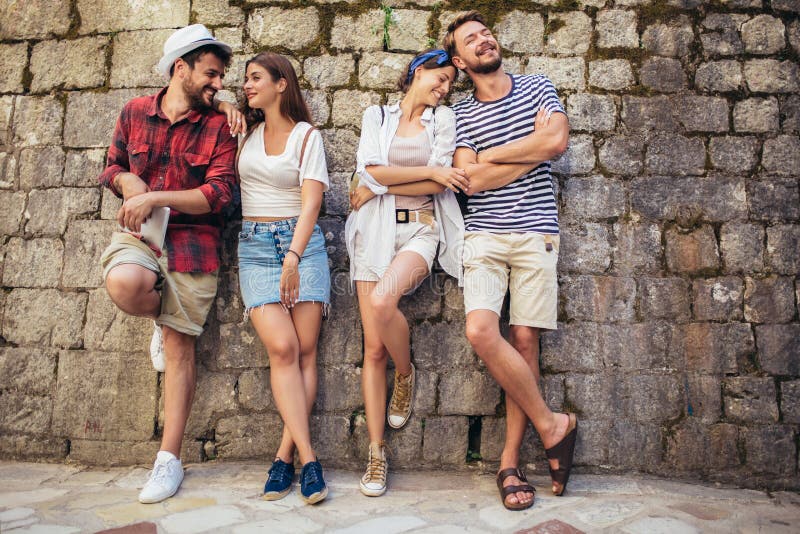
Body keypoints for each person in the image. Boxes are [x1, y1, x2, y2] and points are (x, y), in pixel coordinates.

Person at [443, 12, 578, 510]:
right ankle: (552, 424)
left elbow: (557, 142)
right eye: (470, 40)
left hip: (537, 233)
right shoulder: (459, 113)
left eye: (485, 33)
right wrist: (530, 151)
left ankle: (509, 463)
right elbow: (469, 182)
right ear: (459, 60)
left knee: (524, 341)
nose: (483, 41)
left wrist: (491, 156)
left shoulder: (538, 86)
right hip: (484, 234)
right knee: (481, 330)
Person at [97, 24, 236, 503]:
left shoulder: (220, 125)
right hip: (141, 240)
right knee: (124, 283)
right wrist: (128, 185)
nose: (219, 84)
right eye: (212, 74)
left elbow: (218, 194)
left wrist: (156, 192)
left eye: (221, 79)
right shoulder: (134, 112)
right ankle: (159, 312)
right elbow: (112, 165)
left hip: (194, 245)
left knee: (180, 348)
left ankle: (168, 460)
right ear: (181, 68)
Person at [345, 49, 466, 497]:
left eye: (451, 82)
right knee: (371, 349)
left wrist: (388, 181)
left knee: (382, 302)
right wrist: (424, 171)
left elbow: (438, 185)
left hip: (420, 230)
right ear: (419, 71)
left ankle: (407, 371)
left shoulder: (444, 120)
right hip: (372, 233)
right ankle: (377, 453)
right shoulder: (375, 115)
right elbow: (369, 168)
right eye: (441, 77)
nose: (445, 87)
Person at [227, 52, 331, 505]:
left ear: (281, 84)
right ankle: (310, 460)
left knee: (305, 353)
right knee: (283, 348)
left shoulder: (307, 137)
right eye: (245, 80)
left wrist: (293, 255)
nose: (247, 85)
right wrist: (224, 107)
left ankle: (284, 456)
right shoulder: (244, 132)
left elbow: (312, 204)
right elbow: (202, 96)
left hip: (301, 247)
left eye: (255, 78)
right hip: (253, 247)